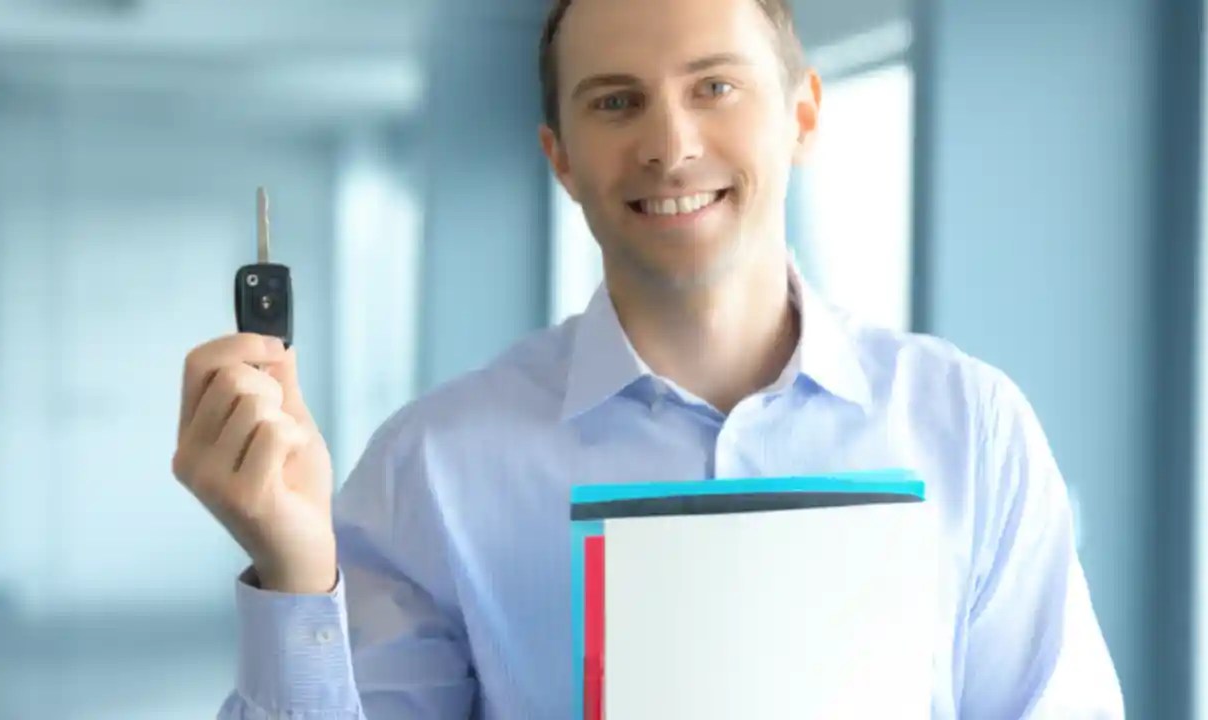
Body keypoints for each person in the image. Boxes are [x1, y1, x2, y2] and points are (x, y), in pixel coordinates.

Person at [172, 0, 1125, 717]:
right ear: (563, 159)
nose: (670, 145)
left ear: (801, 116)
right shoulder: (434, 468)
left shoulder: (971, 427)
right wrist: (295, 569)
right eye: (617, 102)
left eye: (715, 86)